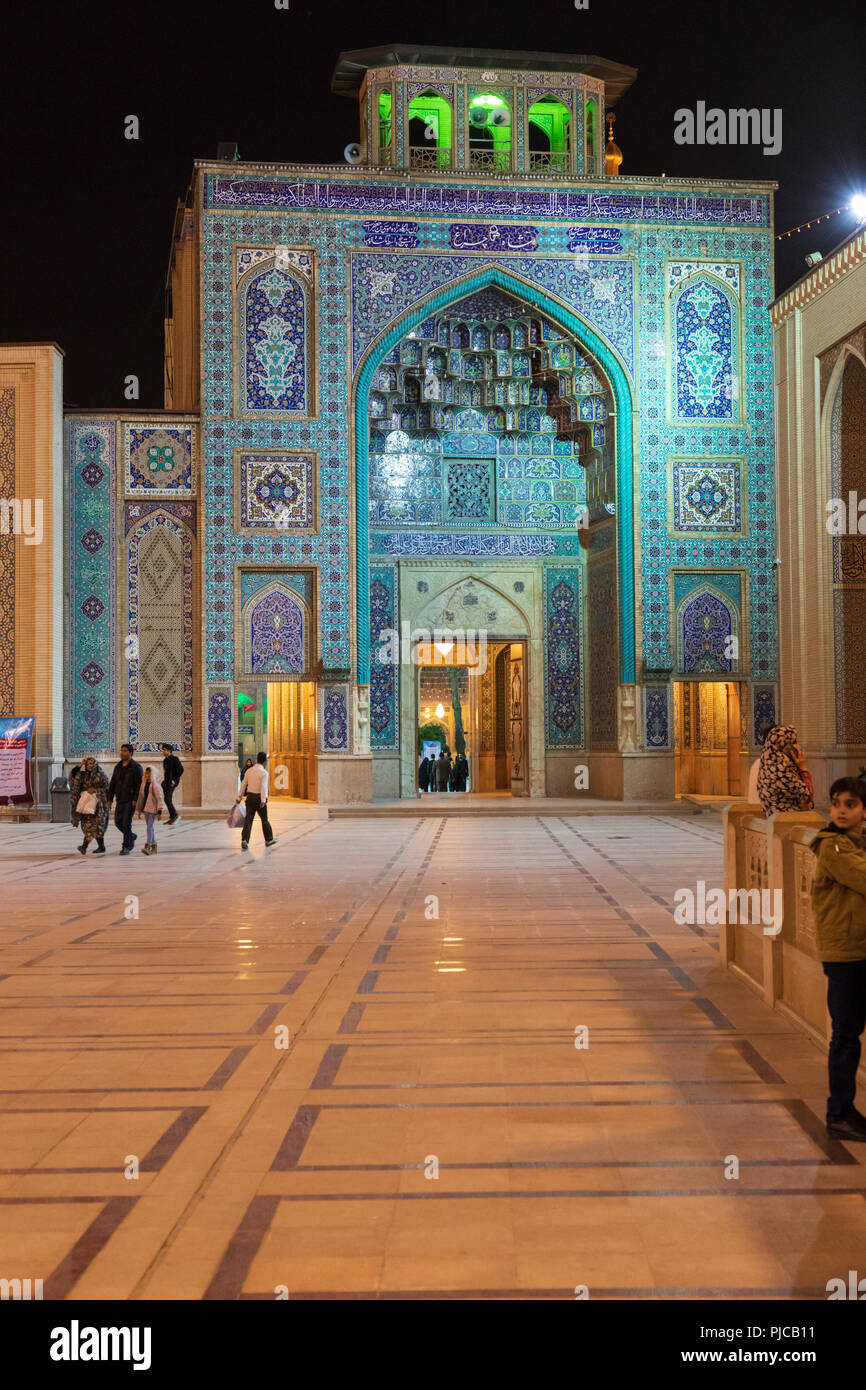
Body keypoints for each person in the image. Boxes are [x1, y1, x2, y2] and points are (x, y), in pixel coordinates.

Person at [810, 777, 866, 1141]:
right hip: (845, 954)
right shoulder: (832, 847)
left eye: (850, 804)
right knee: (845, 1036)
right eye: (836, 804)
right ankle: (838, 1112)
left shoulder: (855, 844)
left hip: (860, 950)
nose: (841, 811)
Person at [756, 725, 813, 816]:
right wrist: (803, 768)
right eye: (793, 742)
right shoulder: (780, 766)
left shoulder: (767, 760)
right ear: (783, 744)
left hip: (775, 817)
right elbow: (806, 795)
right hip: (787, 818)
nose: (797, 746)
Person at [236, 751, 276, 851]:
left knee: (248, 821)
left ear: (257, 759)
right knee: (264, 820)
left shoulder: (249, 771)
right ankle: (268, 839)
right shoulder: (264, 773)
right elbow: (263, 787)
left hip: (249, 798)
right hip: (259, 799)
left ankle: (244, 840)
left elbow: (243, 784)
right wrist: (263, 799)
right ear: (265, 761)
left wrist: (239, 797)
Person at [107, 744, 143, 855]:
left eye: (125, 751)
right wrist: (110, 799)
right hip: (120, 798)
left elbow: (138, 785)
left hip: (130, 799)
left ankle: (126, 846)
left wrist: (135, 800)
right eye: (121, 750)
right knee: (118, 822)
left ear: (131, 753)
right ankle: (131, 836)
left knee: (126, 823)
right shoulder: (118, 766)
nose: (122, 753)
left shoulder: (136, 767)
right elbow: (113, 783)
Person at [70, 756, 110, 855]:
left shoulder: (101, 775)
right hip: (85, 805)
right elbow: (73, 776)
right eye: (87, 764)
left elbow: (107, 788)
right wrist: (80, 765)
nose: (89, 766)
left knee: (96, 825)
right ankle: (101, 846)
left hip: (98, 805)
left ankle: (85, 846)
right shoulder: (83, 775)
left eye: (91, 764)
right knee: (87, 825)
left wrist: (96, 790)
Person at [136, 766, 165, 855]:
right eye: (146, 773)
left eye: (149, 773)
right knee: (150, 828)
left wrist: (159, 811)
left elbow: (159, 798)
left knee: (149, 828)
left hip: (152, 809)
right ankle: (154, 845)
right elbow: (141, 797)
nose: (147, 775)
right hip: (146, 809)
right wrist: (140, 810)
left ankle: (148, 845)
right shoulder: (143, 784)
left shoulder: (155, 785)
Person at [160, 743, 184, 826]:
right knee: (167, 799)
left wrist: (175, 780)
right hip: (167, 782)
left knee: (167, 798)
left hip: (172, 783)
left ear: (169, 751)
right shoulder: (165, 760)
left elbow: (181, 770)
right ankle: (172, 817)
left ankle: (175, 815)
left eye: (164, 750)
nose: (163, 751)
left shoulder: (174, 759)